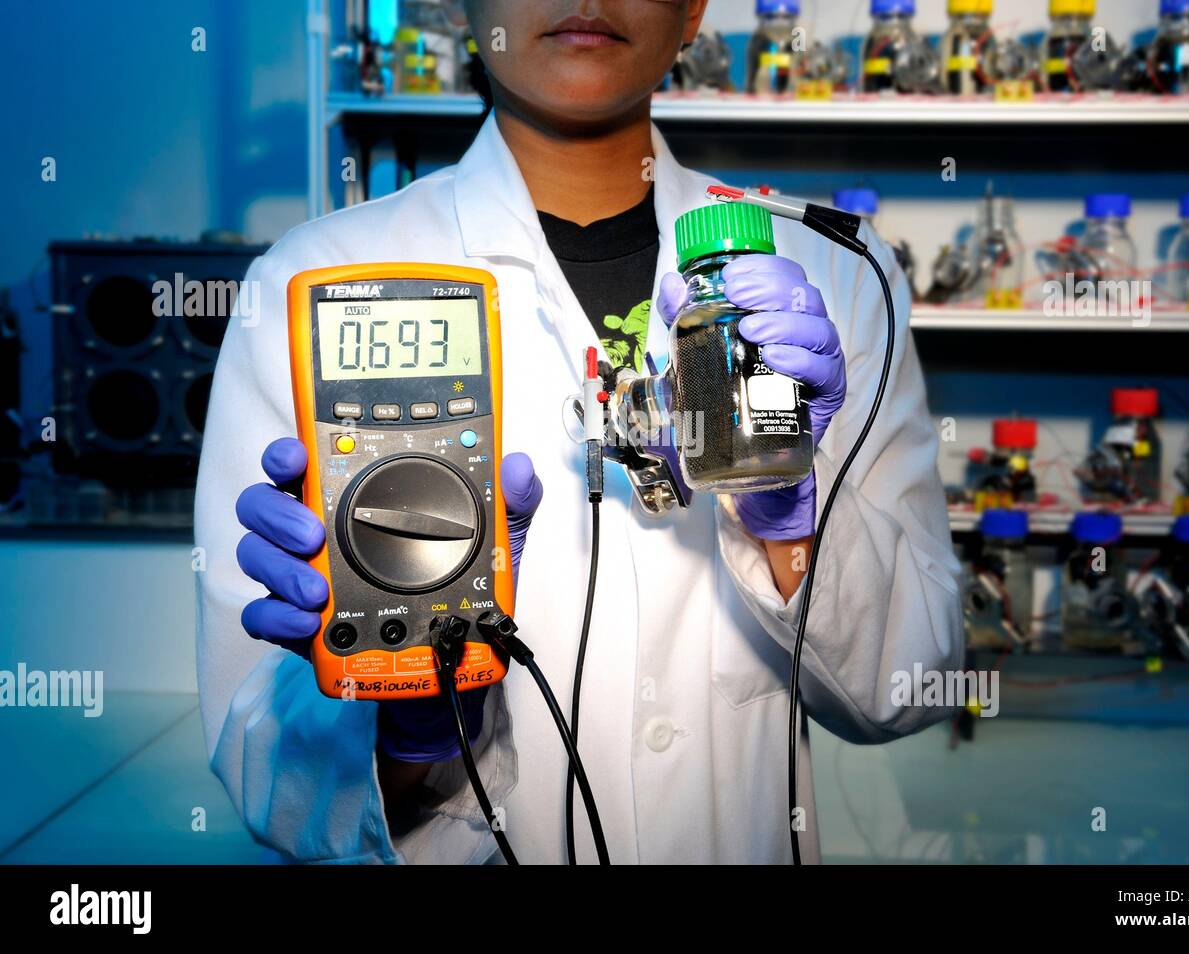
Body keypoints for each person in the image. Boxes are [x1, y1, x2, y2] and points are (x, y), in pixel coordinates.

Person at [195, 0, 963, 864]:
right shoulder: (313, 282)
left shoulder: (835, 273)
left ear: (694, 11)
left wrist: (790, 514)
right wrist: (412, 722)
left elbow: (907, 685)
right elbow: (265, 772)